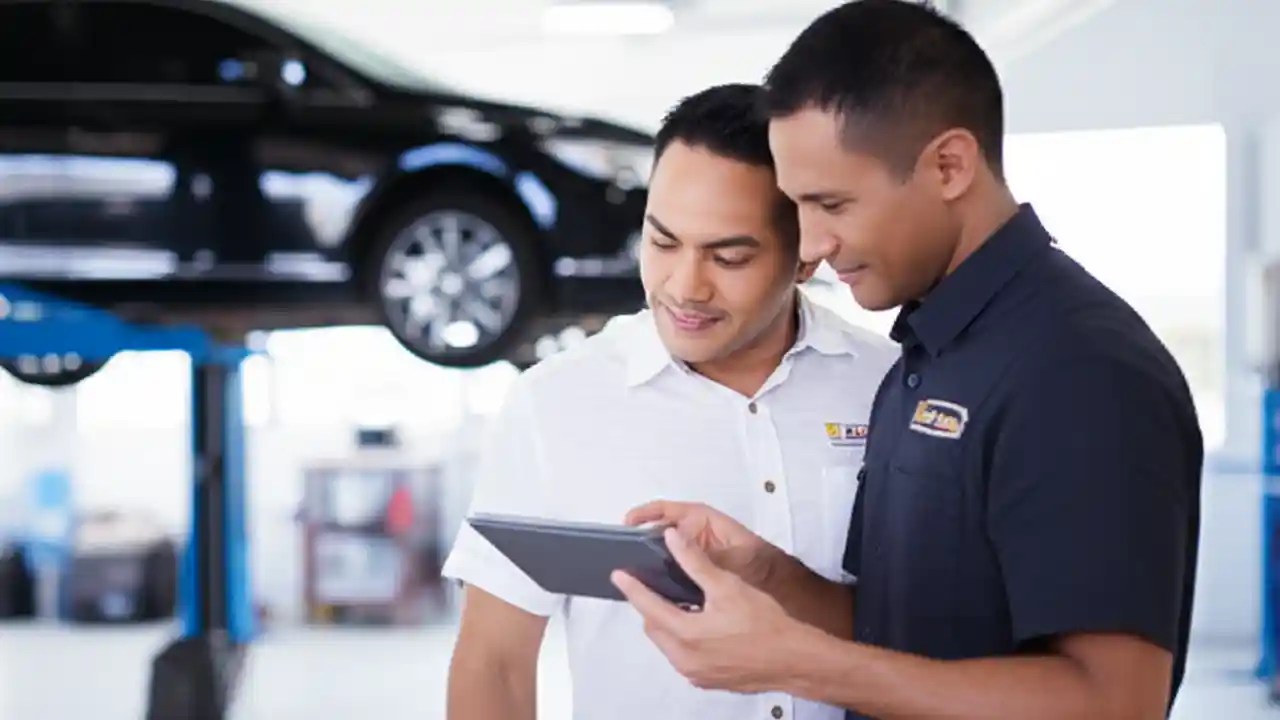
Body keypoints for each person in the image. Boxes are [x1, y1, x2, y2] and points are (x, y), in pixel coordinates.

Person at [611, 2, 1204, 719]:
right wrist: (770, 576)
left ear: (949, 165)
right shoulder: (924, 356)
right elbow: (901, 638)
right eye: (798, 207)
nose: (811, 246)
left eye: (831, 203)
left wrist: (798, 662)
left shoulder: (1081, 369)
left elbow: (1112, 703)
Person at [441, 83, 898, 719]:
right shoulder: (556, 403)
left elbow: (929, 633)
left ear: (804, 256)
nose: (685, 287)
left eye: (729, 256)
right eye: (662, 243)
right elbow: (494, 664)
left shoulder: (891, 383)